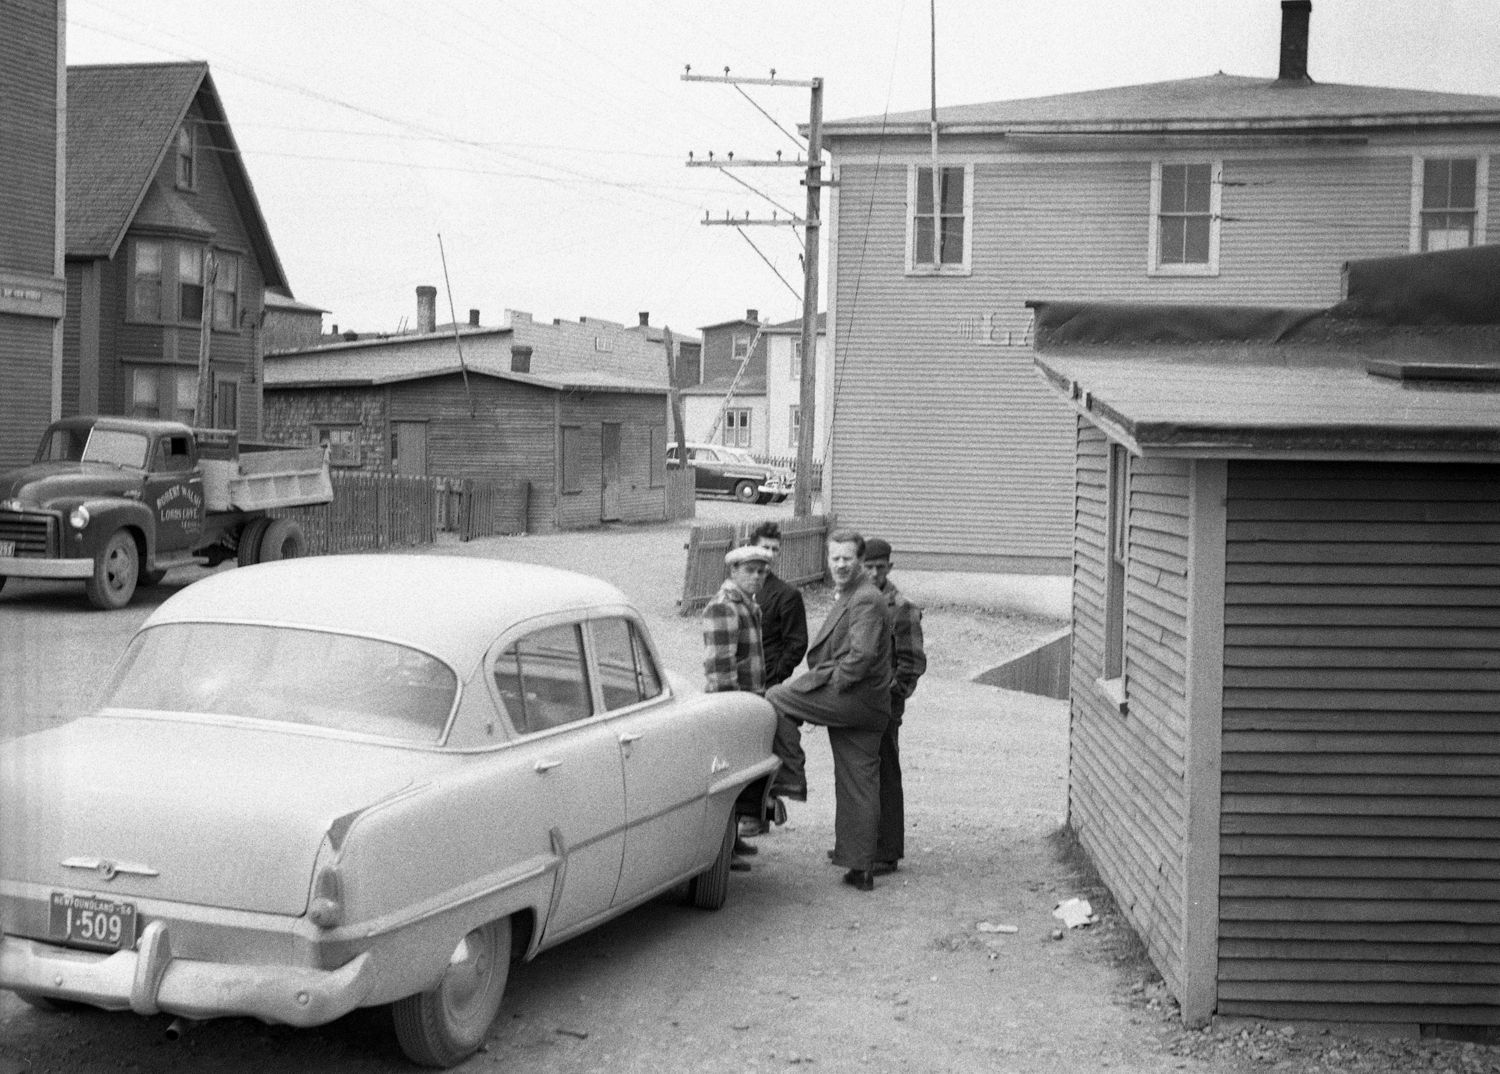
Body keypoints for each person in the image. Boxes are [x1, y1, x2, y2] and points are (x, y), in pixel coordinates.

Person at [766, 529, 892, 892]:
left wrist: (829, 688)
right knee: (858, 783)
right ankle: (860, 867)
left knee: (777, 697)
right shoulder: (856, 594)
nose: (839, 564)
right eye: (834, 558)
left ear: (860, 561)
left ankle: (790, 776)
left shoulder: (865, 599)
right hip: (869, 706)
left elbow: (862, 656)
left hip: (854, 699)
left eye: (847, 559)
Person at [702, 542, 774, 867]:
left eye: (762, 571)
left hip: (749, 702)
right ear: (733, 571)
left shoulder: (747, 605)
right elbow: (719, 665)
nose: (757, 577)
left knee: (742, 775)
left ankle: (734, 839)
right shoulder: (725, 607)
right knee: (728, 778)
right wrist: (732, 710)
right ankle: (722, 851)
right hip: (733, 706)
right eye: (750, 571)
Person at [862, 537, 927, 876]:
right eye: (868, 567)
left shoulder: (901, 608)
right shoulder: (858, 601)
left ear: (890, 567)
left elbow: (912, 661)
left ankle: (887, 851)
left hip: (884, 705)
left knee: (886, 772)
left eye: (880, 568)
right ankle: (862, 843)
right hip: (861, 702)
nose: (874, 573)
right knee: (862, 774)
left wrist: (893, 696)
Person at [749, 521, 809, 814]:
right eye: (764, 547)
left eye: (774, 549)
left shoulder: (786, 595)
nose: (769, 554)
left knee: (767, 746)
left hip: (768, 683)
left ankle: (767, 807)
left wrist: (775, 676)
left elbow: (797, 644)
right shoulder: (741, 588)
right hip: (739, 681)